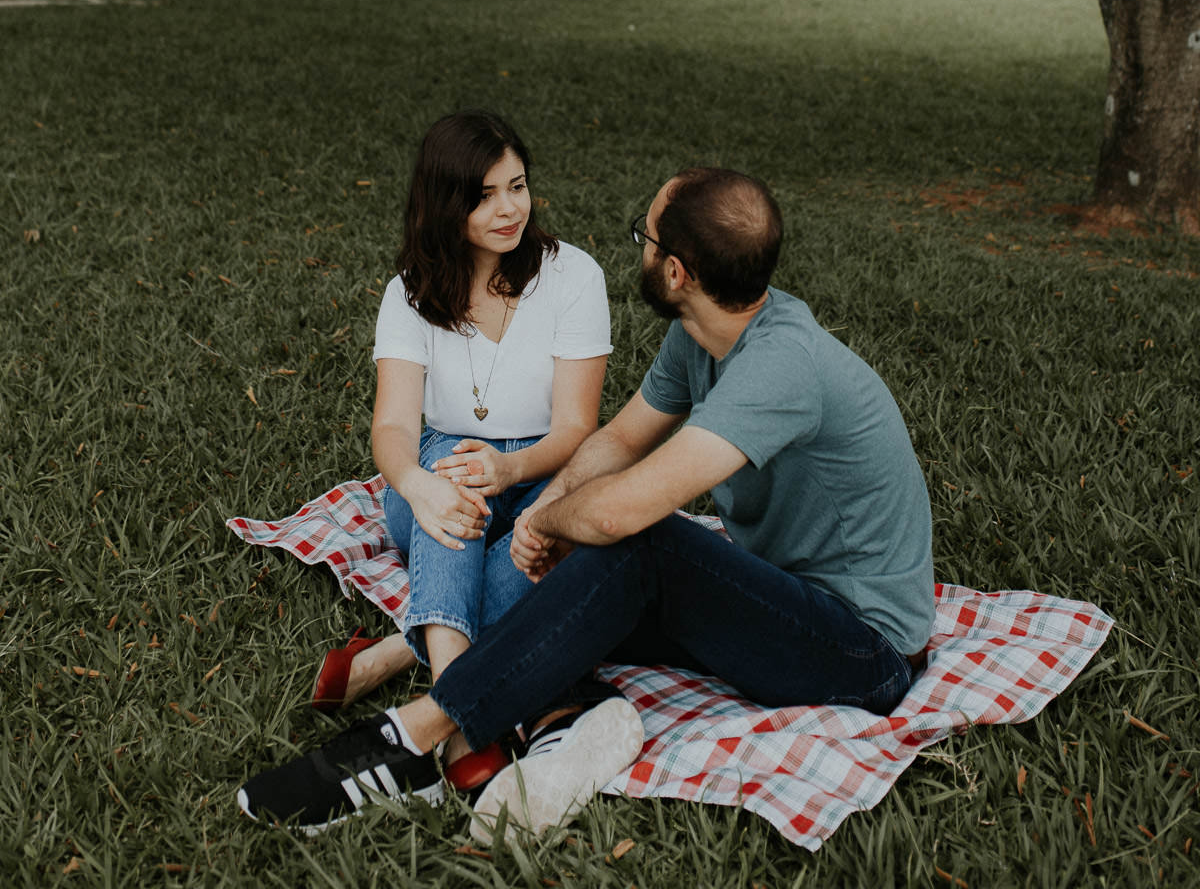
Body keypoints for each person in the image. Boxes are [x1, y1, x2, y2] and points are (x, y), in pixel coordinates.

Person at [240, 166, 934, 840]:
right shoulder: (700, 334)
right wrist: (558, 504)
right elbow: (619, 441)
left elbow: (619, 515)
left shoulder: (782, 365)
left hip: (860, 652)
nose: (641, 245)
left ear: (676, 273)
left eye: (648, 235)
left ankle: (414, 737)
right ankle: (500, 687)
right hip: (777, 599)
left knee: (641, 541)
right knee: (579, 574)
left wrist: (549, 518)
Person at [304, 110, 612, 783]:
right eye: (484, 195)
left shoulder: (572, 276)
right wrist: (421, 486)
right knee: (454, 485)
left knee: (564, 547)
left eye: (518, 186)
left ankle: (400, 659)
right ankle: (464, 707)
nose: (509, 209)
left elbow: (575, 428)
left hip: (542, 466)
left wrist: (510, 467)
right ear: (446, 204)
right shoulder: (410, 292)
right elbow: (391, 429)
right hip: (437, 476)